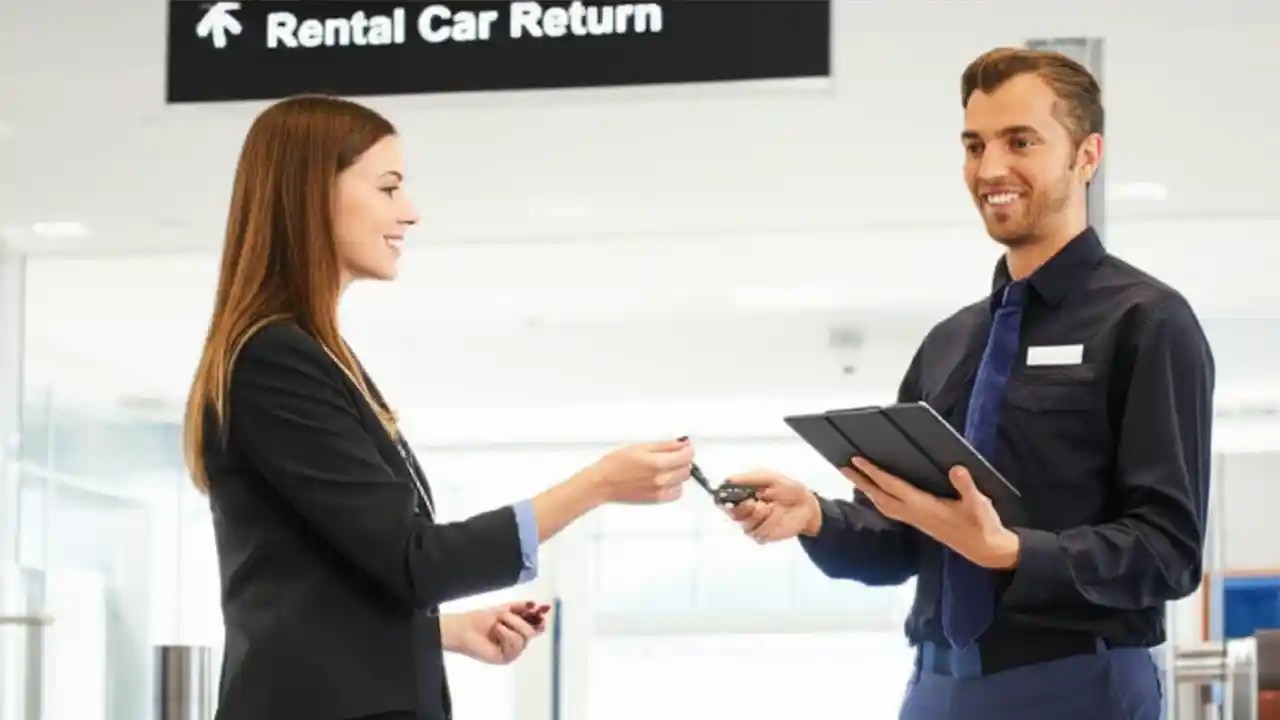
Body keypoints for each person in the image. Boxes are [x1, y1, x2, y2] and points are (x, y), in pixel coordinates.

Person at [724, 47, 1214, 720]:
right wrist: (812, 516)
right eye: (974, 145)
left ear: (1087, 156)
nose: (990, 169)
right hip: (936, 687)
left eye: (1021, 142)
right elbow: (901, 539)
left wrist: (1009, 551)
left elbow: (1169, 552)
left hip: (1076, 684)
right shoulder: (949, 344)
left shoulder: (1147, 322)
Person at [181, 94, 695, 720]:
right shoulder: (276, 359)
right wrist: (597, 486)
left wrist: (441, 632)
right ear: (313, 192)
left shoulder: (313, 353)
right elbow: (414, 560)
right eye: (389, 188)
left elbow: (322, 589)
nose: (411, 213)